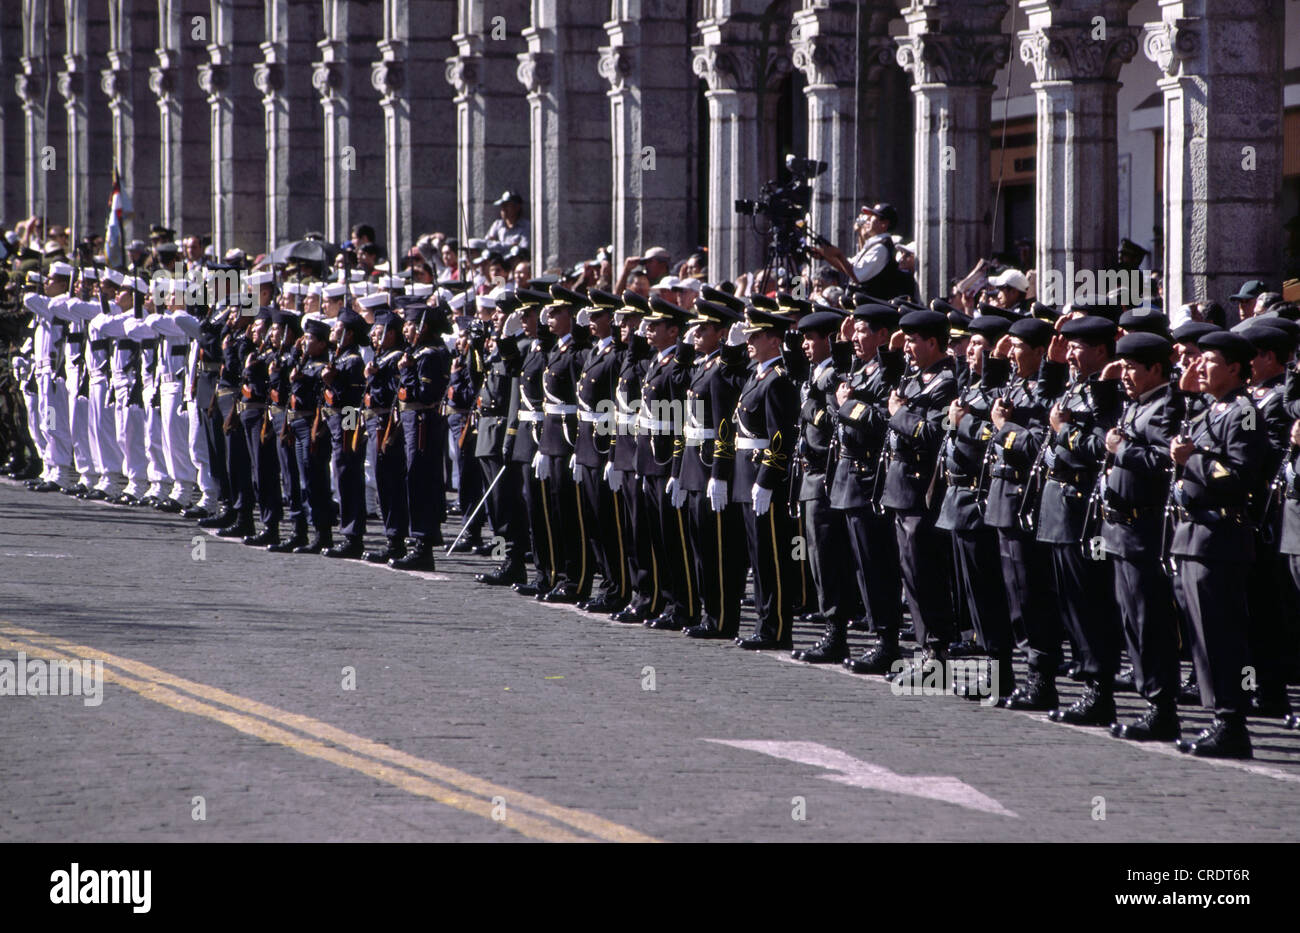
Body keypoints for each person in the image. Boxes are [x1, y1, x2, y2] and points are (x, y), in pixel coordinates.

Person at [1168, 330, 1266, 758]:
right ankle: (1219, 717)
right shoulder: (1210, 408)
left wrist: (1195, 461)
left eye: (1209, 360)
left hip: (1221, 536)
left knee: (1223, 635)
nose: (1199, 367)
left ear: (1234, 368)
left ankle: (1232, 722)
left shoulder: (1244, 412)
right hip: (1194, 535)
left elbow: (1243, 474)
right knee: (1202, 636)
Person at [1104, 332, 1184, 741]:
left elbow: (1164, 461)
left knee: (1148, 620)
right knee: (1131, 620)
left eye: (1132, 368)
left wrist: (1122, 452)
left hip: (1144, 529)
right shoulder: (1138, 405)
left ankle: (1161, 706)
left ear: (1156, 368)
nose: (1126, 376)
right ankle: (1150, 697)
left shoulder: (1166, 407)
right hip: (1120, 528)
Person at [733, 307, 800, 651]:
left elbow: (781, 436)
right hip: (747, 476)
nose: (749, 341)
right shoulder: (755, 376)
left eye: (756, 336)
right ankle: (764, 622)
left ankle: (776, 627)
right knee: (758, 557)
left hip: (763, 479)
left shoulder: (777, 380)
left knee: (772, 557)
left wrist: (768, 478)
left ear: (775, 340)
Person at [392, 299, 452, 570]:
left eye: (411, 324)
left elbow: (424, 394)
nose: (406, 329)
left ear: (424, 327)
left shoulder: (428, 354)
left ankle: (422, 544)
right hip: (416, 421)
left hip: (422, 422)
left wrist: (406, 372)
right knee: (420, 478)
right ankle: (422, 539)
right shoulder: (422, 351)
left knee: (419, 479)